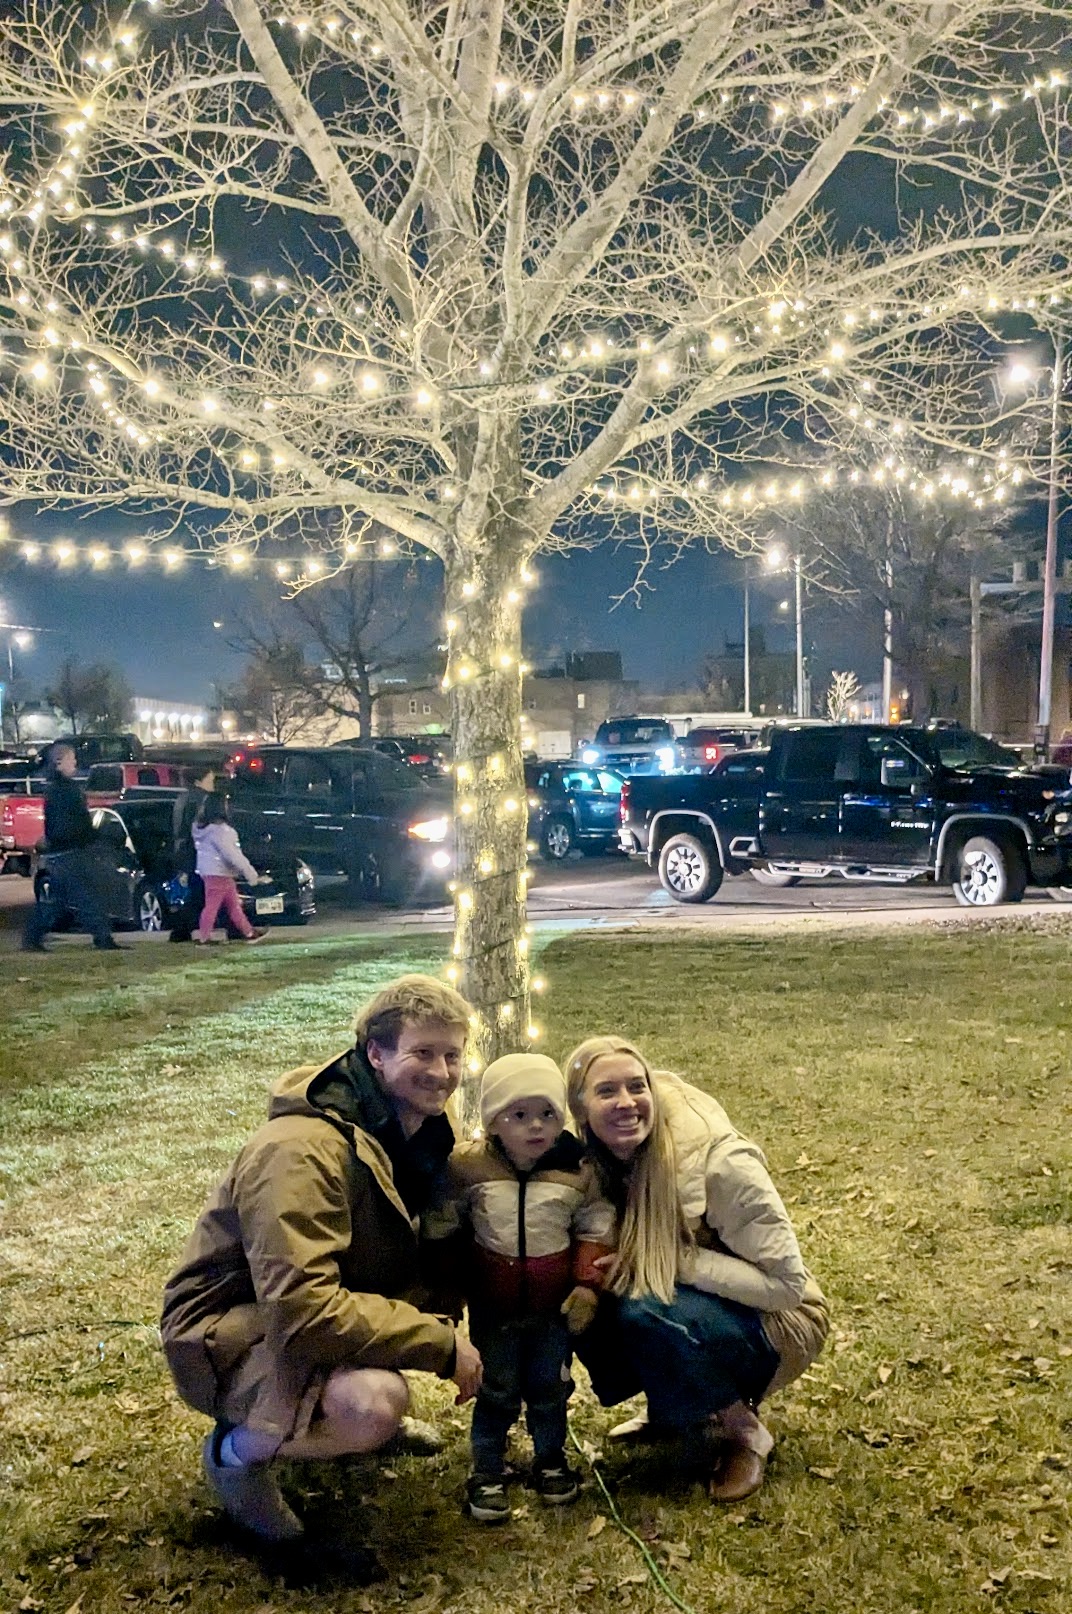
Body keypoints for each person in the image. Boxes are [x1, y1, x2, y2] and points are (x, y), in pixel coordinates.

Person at [161, 974, 484, 1553]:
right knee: (373, 1404)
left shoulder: (420, 1130)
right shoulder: (301, 1150)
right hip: (225, 1331)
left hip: (300, 1308)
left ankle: (327, 1418)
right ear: (375, 1055)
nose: (441, 1072)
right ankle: (235, 1456)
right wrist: (440, 1345)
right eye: (422, 1053)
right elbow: (303, 1311)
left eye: (452, 1054)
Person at [566, 1035, 828, 1503]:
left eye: (636, 1086)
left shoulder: (719, 1162)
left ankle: (745, 1433)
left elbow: (787, 1287)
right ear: (581, 1108)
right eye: (607, 1091)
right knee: (584, 1294)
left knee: (644, 1307)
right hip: (708, 1300)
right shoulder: (603, 1161)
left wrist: (663, 1261)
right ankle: (677, 1407)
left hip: (784, 1321)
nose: (627, 1103)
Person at [425, 1052, 615, 1522]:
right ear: (492, 1123)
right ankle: (486, 1469)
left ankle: (550, 1461)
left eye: (547, 1114)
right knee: (496, 1388)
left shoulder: (577, 1172)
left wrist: (589, 1286)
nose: (536, 1127)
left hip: (555, 1310)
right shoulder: (469, 1171)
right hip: (493, 1310)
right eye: (519, 1115)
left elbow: (597, 1227)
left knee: (551, 1387)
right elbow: (446, 1230)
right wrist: (446, 1300)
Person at [21, 741, 124, 953]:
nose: (75, 762)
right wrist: (89, 836)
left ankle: (33, 937)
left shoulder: (57, 788)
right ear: (59, 763)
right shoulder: (63, 790)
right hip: (70, 851)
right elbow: (69, 824)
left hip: (64, 852)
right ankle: (102, 938)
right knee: (86, 897)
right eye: (71, 758)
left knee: (61, 901)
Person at [191, 792, 269, 944]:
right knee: (214, 906)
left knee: (233, 905)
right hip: (220, 872)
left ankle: (249, 932)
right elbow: (234, 856)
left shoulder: (202, 830)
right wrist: (251, 875)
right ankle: (204, 938)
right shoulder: (222, 832)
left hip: (211, 871)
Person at [169, 764, 216, 942]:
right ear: (199, 781)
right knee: (205, 892)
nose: (213, 784)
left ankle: (180, 930)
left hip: (185, 851)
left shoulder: (182, 798)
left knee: (197, 892)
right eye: (210, 780)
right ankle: (181, 930)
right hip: (199, 851)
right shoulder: (203, 800)